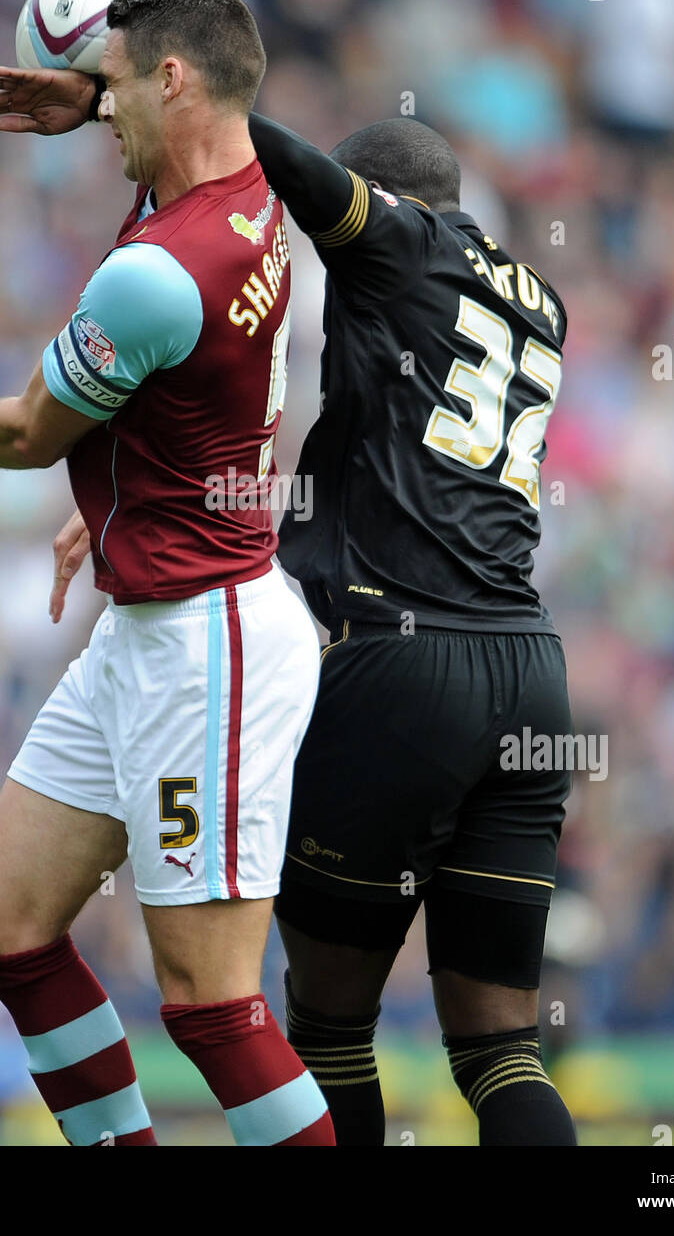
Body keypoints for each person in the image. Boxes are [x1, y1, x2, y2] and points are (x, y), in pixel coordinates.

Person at [0, 0, 332, 1147]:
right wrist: (120, 500)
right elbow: (205, 94)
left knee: (212, 1007)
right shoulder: (244, 183)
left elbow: (23, 432)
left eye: (111, 90)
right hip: (151, 611)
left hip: (205, 646)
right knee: (1, 927)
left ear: (170, 80)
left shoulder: (156, 272)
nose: (95, 113)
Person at [245, 112, 578, 1146]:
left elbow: (301, 173)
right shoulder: (543, 301)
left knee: (331, 1028)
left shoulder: (404, 246)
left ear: (380, 199)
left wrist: (181, 80)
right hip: (527, 672)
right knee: (499, 1050)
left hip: (402, 658)